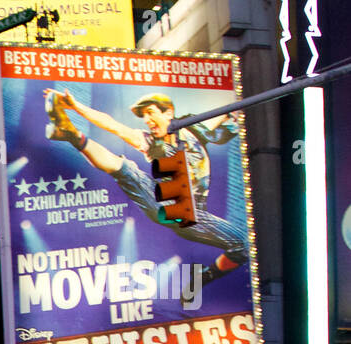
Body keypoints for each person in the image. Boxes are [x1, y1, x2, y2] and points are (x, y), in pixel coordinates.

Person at [42, 88, 246, 304]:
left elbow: (221, 115)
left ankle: (202, 278)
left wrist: (235, 108)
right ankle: (72, 134)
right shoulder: (151, 141)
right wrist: (76, 106)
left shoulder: (194, 129)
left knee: (241, 246)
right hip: (168, 205)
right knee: (125, 170)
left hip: (194, 216)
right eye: (144, 116)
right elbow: (113, 125)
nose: (147, 120)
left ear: (168, 113)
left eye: (151, 113)